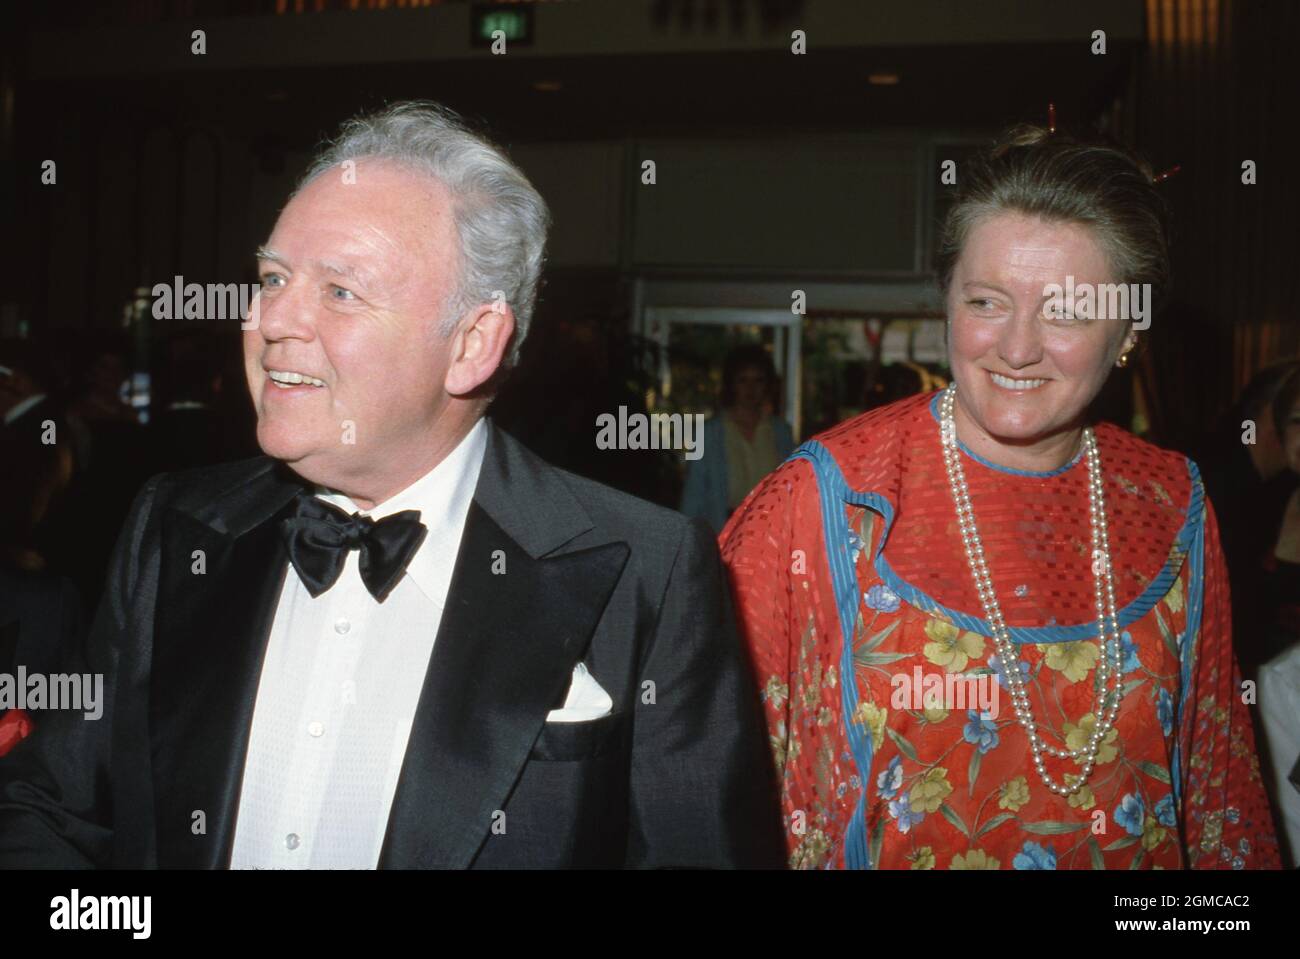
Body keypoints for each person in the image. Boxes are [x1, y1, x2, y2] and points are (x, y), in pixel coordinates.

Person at [0, 102, 783, 869]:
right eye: (272, 277)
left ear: (473, 343)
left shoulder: (643, 571)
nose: (274, 321)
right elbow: (52, 806)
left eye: (340, 292)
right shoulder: (175, 525)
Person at [721, 123, 1280, 869]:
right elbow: (708, 785)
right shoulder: (826, 501)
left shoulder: (1173, 502)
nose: (1018, 347)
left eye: (1068, 311)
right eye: (986, 301)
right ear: (945, 302)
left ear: (1129, 333)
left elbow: (1217, 791)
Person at [681, 343, 795, 532]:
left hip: (771, 532)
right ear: (731, 384)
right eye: (743, 380)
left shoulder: (781, 432)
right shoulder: (709, 433)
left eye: (758, 380)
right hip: (723, 533)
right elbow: (694, 496)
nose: (751, 389)